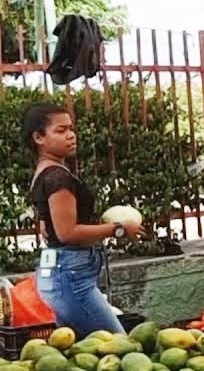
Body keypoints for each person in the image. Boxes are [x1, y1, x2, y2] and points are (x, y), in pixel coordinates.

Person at [24, 103, 141, 337]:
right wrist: (118, 229)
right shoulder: (57, 177)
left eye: (71, 128)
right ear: (39, 137)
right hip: (71, 277)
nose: (71, 135)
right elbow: (68, 233)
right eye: (60, 130)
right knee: (120, 346)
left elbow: (48, 226)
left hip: (59, 272)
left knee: (81, 352)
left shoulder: (45, 171)